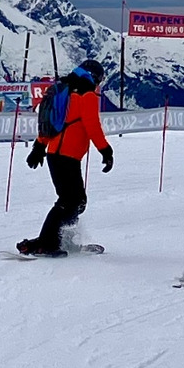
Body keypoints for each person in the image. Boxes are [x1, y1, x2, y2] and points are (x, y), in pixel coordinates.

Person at [19, 60, 113, 256]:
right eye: (99, 80)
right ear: (93, 77)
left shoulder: (66, 90)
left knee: (76, 201)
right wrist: (105, 150)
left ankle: (58, 239)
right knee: (70, 201)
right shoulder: (86, 95)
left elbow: (52, 123)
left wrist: (39, 146)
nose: (98, 84)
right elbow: (92, 125)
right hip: (66, 156)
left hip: (58, 154)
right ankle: (48, 243)